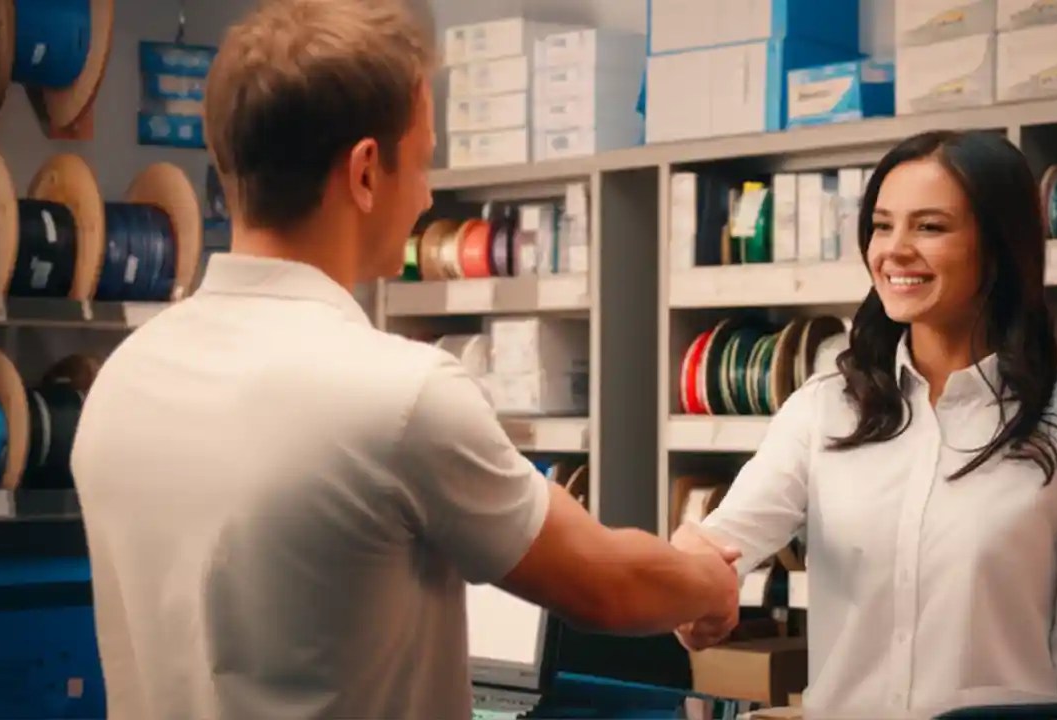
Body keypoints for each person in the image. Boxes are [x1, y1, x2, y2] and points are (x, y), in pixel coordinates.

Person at [69, 1, 740, 718]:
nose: (425, 195)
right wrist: (709, 580)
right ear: (364, 171)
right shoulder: (397, 398)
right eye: (422, 160)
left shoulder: (123, 381)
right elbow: (608, 584)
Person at [673, 130, 1057, 720]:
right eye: (880, 225)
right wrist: (689, 586)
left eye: (929, 227)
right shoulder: (824, 411)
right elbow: (722, 542)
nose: (893, 250)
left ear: (998, 248)